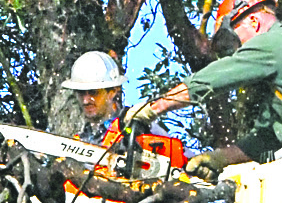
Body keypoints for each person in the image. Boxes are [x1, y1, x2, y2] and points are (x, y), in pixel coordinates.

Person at [128, 0, 282, 168]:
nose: (237, 49)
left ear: (253, 22)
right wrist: (217, 159)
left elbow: (212, 79)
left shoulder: (272, 43)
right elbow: (265, 138)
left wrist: (152, 108)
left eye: (235, 38)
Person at [59, 50, 187, 182]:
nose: (86, 100)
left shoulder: (137, 125)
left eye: (93, 92)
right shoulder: (81, 140)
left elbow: (184, 160)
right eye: (81, 93)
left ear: (113, 91)